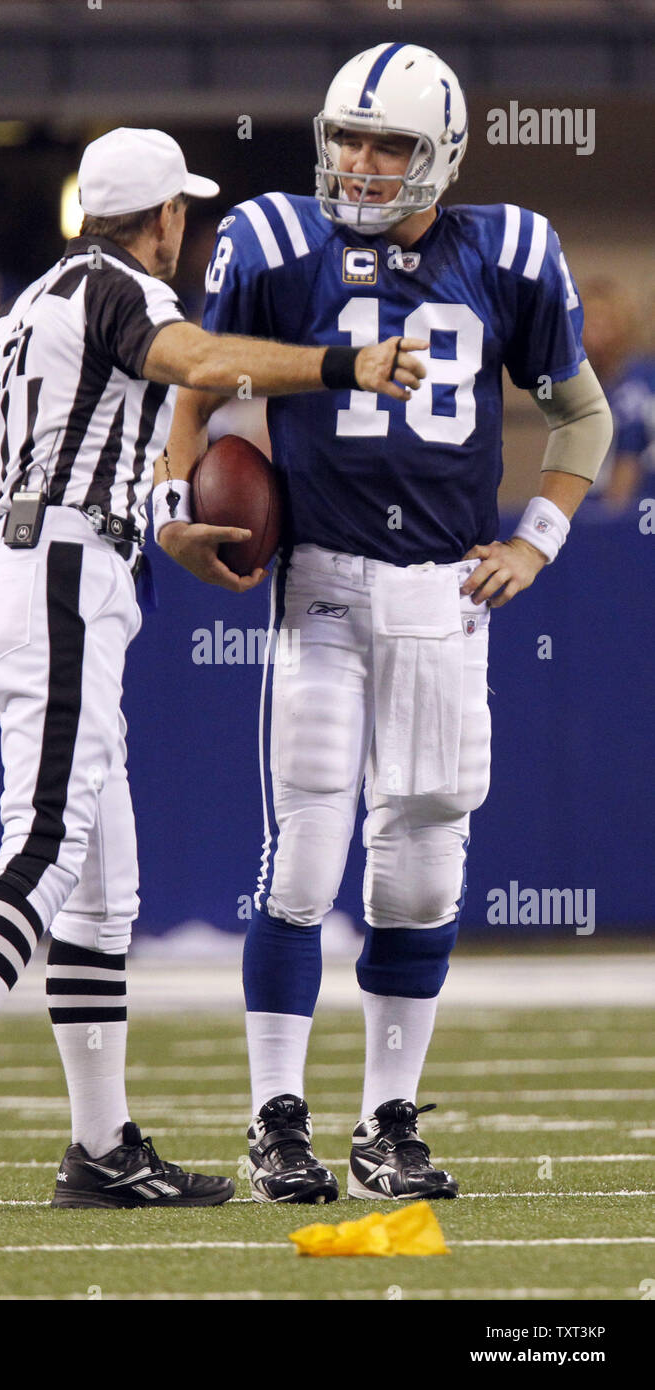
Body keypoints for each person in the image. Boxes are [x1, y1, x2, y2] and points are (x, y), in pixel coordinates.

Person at [0, 127, 409, 1213]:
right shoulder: (116, 287)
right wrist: (347, 364)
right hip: (61, 579)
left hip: (33, 571)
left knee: (106, 889)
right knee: (50, 842)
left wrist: (126, 528)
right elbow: (200, 360)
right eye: (180, 216)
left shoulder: (14, 319)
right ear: (163, 220)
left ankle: (102, 1148)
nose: (183, 233)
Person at [155, 42, 613, 1204]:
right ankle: (275, 1121)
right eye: (349, 137)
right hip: (319, 579)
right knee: (304, 859)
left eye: (391, 145)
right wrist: (174, 499)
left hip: (444, 594)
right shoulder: (272, 240)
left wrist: (535, 541)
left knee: (421, 876)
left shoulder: (510, 250)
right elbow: (197, 376)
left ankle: (387, 1123)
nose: (361, 163)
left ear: (442, 156)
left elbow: (583, 421)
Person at [579, 277, 655, 508]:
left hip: (624, 517)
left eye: (603, 322)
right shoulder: (587, 384)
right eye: (587, 322)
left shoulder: (635, 384)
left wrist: (611, 522)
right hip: (589, 509)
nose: (594, 333)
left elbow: (628, 458)